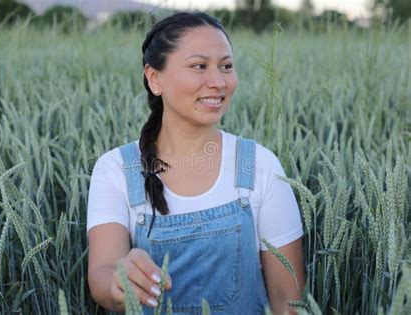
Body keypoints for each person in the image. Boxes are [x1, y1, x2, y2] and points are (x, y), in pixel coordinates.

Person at [87, 11, 305, 315]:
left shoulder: (260, 165)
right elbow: (101, 273)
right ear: (154, 78)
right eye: (199, 66)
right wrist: (118, 282)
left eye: (226, 66)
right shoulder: (116, 169)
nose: (218, 81)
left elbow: (288, 302)